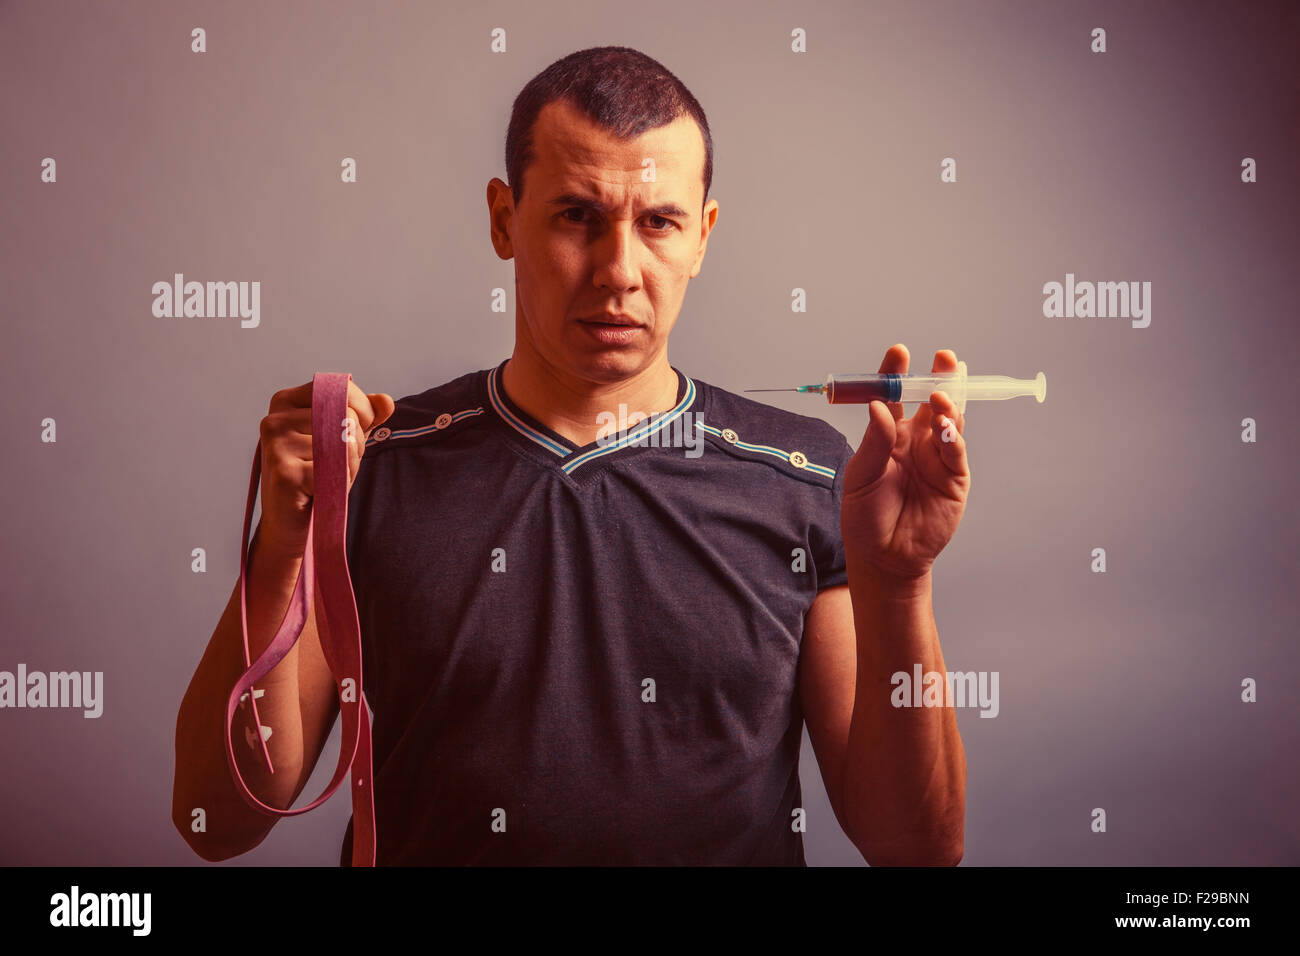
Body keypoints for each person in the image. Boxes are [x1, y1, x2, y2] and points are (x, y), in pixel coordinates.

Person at [172, 46, 969, 866]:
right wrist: (280, 548)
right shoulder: (375, 469)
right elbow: (215, 822)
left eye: (658, 222)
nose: (619, 272)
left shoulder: (810, 478)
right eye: (577, 216)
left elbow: (917, 848)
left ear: (703, 235)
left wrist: (900, 584)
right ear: (502, 219)